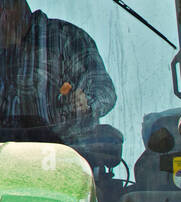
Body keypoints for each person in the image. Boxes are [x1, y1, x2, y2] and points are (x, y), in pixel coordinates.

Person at [0, 0, 116, 136]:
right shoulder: (4, 52)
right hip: (10, 152)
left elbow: (104, 90)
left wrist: (85, 101)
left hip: (65, 151)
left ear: (7, 11)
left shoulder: (67, 38)